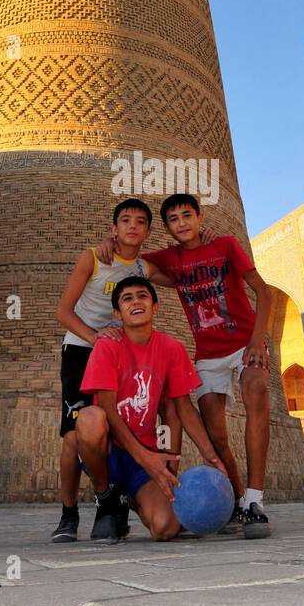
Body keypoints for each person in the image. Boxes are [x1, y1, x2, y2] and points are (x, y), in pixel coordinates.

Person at [97, 192, 274, 538]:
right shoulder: (170, 259)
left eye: (187, 216)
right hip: (208, 353)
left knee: (256, 387)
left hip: (244, 344)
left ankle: (255, 500)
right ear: (167, 228)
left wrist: (257, 340)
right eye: (174, 219)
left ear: (200, 219)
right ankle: (237, 500)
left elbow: (263, 292)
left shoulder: (225, 245)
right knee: (216, 433)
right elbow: (131, 260)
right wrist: (111, 242)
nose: (182, 223)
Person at [51, 198, 179, 543]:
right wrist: (94, 337)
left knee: (115, 422)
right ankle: (69, 514)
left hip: (118, 357)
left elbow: (181, 274)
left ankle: (123, 497)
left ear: (148, 232)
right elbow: (63, 311)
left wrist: (198, 243)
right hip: (81, 349)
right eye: (125, 220)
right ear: (114, 228)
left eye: (140, 221)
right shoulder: (93, 258)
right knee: (74, 436)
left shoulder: (143, 268)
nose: (132, 226)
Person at [75, 277, 228, 544]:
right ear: (117, 313)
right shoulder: (107, 345)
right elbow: (109, 410)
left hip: (144, 459)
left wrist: (210, 454)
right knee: (90, 418)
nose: (136, 301)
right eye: (127, 298)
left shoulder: (171, 348)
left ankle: (133, 498)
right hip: (109, 452)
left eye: (142, 296)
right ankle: (107, 499)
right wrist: (145, 456)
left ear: (155, 306)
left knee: (166, 528)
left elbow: (183, 409)